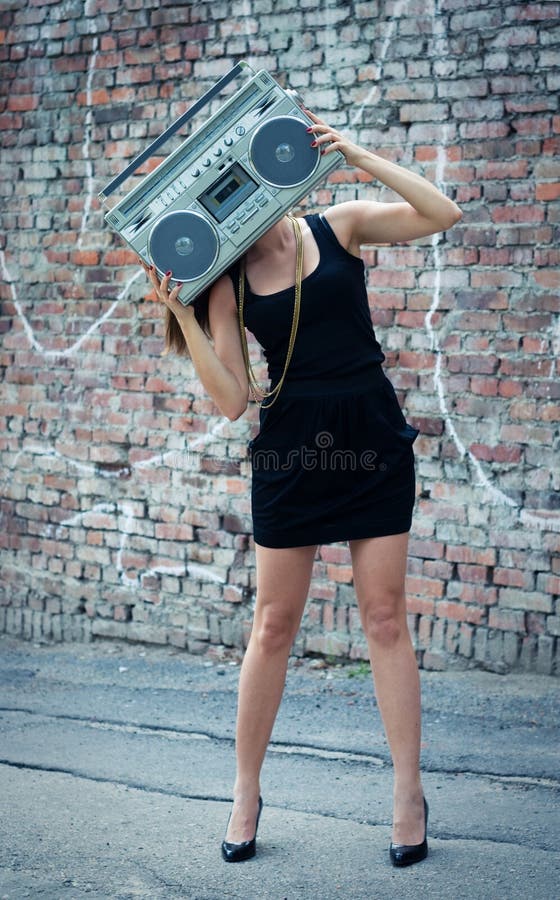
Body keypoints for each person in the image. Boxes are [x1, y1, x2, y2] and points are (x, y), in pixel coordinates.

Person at [138, 109, 462, 867]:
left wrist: (353, 153)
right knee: (273, 627)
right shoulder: (229, 283)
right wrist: (182, 315)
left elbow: (441, 213)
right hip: (291, 449)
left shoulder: (337, 225)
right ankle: (246, 791)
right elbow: (232, 399)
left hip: (371, 435)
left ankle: (408, 794)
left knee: (384, 618)